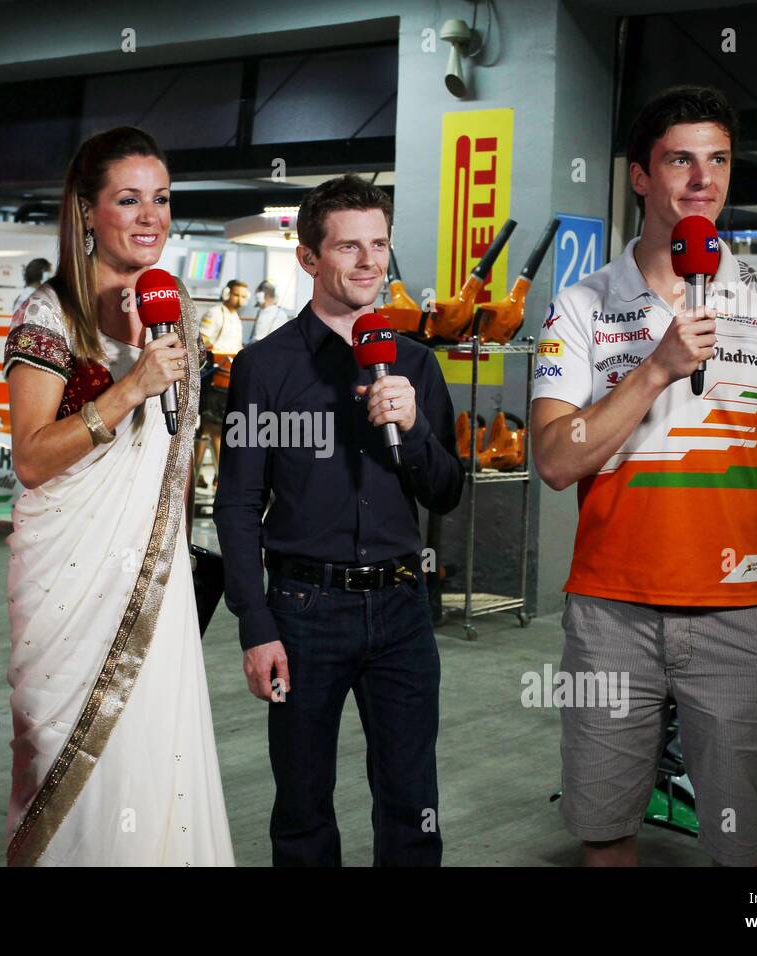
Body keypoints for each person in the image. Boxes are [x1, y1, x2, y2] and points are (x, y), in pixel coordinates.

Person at [529, 86, 757, 867]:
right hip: (608, 616)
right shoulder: (580, 306)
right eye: (680, 159)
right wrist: (655, 369)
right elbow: (557, 461)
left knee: (741, 847)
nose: (703, 178)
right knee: (604, 832)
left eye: (718, 159)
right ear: (640, 176)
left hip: (739, 616)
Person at [214, 174, 464, 866]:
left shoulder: (414, 364)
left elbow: (447, 491)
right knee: (301, 810)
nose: (368, 263)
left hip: (403, 614)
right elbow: (236, 505)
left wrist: (412, 429)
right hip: (302, 612)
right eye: (348, 247)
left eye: (378, 245)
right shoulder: (265, 369)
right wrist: (256, 627)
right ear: (308, 258)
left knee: (412, 806)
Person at [2, 125, 234, 867]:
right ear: (86, 211)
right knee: (70, 757)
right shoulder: (49, 314)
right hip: (69, 586)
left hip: (154, 581)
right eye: (128, 199)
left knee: (154, 752)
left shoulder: (180, 313)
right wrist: (133, 384)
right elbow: (33, 458)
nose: (149, 216)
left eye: (161, 199)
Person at [194, 279, 248, 487]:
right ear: (227, 293)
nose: (240, 299)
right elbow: (202, 342)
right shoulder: (216, 314)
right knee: (212, 429)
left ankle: (206, 475)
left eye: (243, 296)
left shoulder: (235, 317)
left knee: (211, 429)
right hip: (215, 378)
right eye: (236, 294)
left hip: (229, 378)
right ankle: (219, 476)